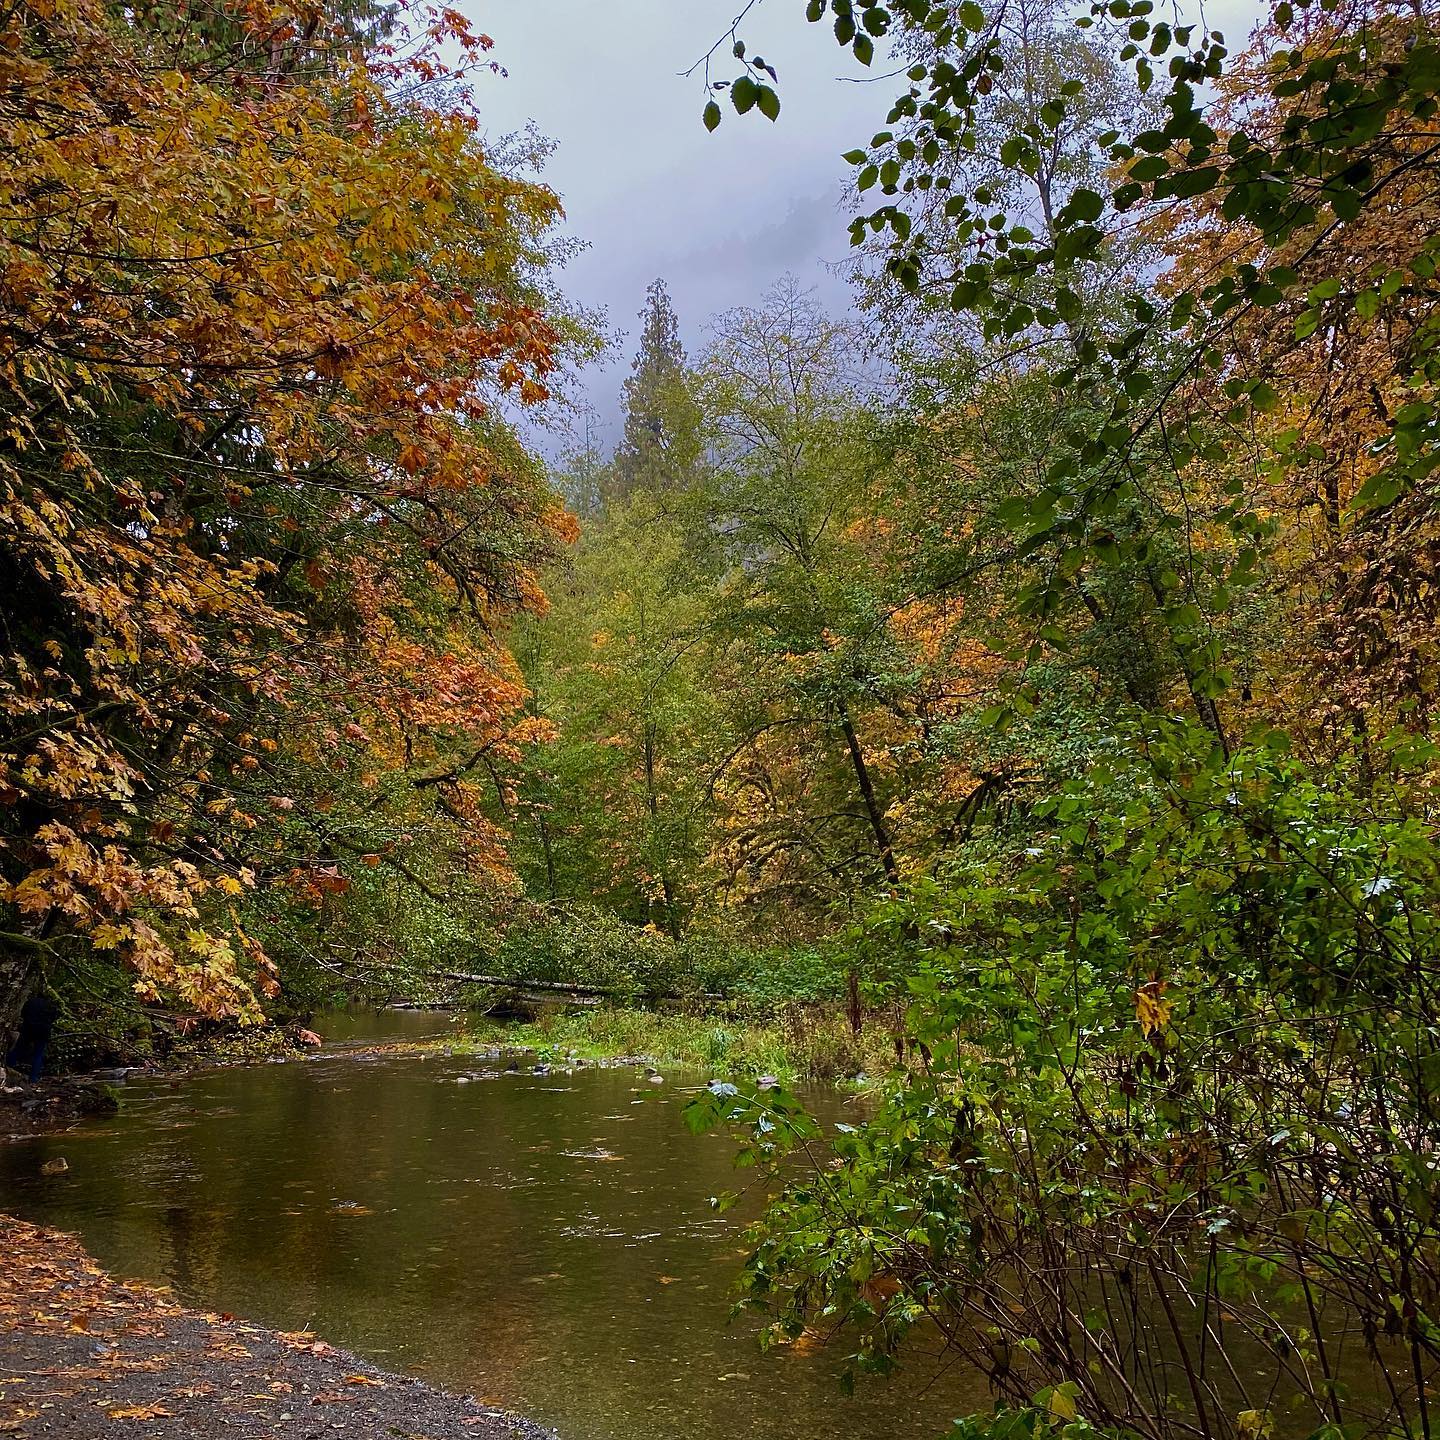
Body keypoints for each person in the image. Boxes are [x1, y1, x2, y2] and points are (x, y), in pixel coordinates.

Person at [7, 989, 59, 1083]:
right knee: (38, 1054)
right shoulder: (50, 1005)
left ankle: (8, 1068)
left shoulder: (30, 1002)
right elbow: (54, 1017)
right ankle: (34, 1077)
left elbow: (23, 1013)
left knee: (17, 1049)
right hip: (43, 1031)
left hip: (28, 1029)